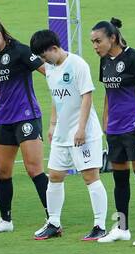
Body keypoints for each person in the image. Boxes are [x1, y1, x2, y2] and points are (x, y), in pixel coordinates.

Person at [0, 15, 48, 234]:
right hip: (5, 119)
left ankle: (53, 219)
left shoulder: (21, 51)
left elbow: (47, 71)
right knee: (2, 172)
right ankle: (5, 221)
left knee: (34, 169)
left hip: (26, 117)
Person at [33, 29, 110, 240]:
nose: (43, 60)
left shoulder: (77, 65)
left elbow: (87, 97)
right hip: (62, 133)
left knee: (90, 177)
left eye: (44, 55)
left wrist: (81, 128)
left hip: (83, 132)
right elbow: (57, 98)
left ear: (55, 48)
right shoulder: (50, 68)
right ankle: (54, 223)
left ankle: (100, 225)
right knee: (55, 176)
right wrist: (52, 125)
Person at [90, 18, 135, 245]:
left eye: (98, 41)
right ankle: (122, 227)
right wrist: (105, 122)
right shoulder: (104, 61)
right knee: (120, 180)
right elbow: (109, 93)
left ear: (112, 38)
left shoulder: (134, 58)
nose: (95, 46)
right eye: (93, 42)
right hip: (115, 130)